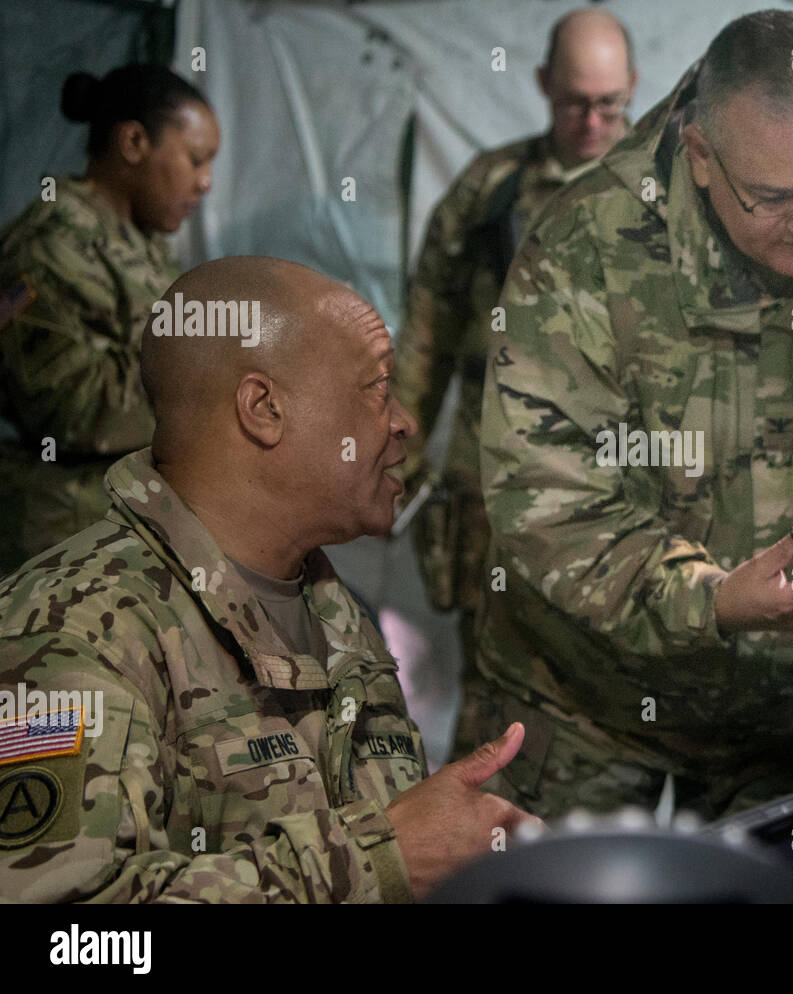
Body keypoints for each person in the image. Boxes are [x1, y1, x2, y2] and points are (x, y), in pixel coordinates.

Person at [457, 10, 793, 820]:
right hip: (582, 706)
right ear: (702, 157)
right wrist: (707, 598)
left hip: (788, 726)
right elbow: (545, 498)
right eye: (775, 199)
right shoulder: (585, 250)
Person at [0, 256, 539, 903]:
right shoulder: (67, 630)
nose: (404, 422)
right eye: (376, 387)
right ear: (263, 408)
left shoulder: (334, 616)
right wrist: (380, 860)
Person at [394, 7, 637, 728]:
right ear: (540, 84)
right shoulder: (489, 189)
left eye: (608, 104)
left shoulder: (664, 192)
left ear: (632, 89)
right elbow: (424, 336)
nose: (591, 121)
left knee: (608, 714)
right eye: (572, 102)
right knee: (495, 703)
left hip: (620, 504)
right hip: (492, 496)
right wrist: (396, 455)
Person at [0, 64, 220, 576]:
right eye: (195, 160)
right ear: (134, 142)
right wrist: (213, 376)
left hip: (131, 538)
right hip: (65, 554)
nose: (206, 183)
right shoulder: (49, 248)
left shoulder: (137, 241)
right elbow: (75, 408)